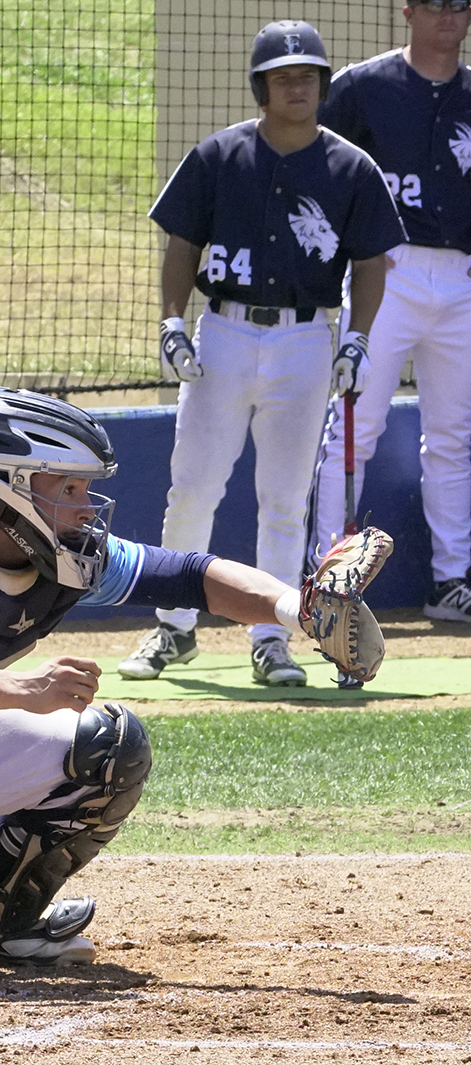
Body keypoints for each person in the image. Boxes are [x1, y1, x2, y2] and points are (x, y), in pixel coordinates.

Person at [0, 389, 386, 966]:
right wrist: (21, 690)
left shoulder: (69, 559)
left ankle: (7, 919)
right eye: (67, 488)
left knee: (108, 749)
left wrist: (295, 609)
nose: (86, 507)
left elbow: (191, 577)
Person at [119, 21, 405, 686]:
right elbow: (182, 245)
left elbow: (370, 263)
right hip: (223, 331)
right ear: (262, 86)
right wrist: (171, 321)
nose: (297, 85)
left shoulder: (350, 167)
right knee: (193, 487)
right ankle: (173, 628)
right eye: (283, 76)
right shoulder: (218, 156)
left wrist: (357, 338)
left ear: (324, 84)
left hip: (306, 338)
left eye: (308, 74)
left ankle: (271, 637)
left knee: (283, 500)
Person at [309, 0, 471, 626]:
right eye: (435, 4)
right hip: (389, 269)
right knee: (355, 428)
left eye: (461, 5)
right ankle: (330, 578)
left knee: (453, 439)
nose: (449, 16)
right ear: (407, 11)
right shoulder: (364, 85)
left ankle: (451, 580)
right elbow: (316, 156)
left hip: (462, 275)